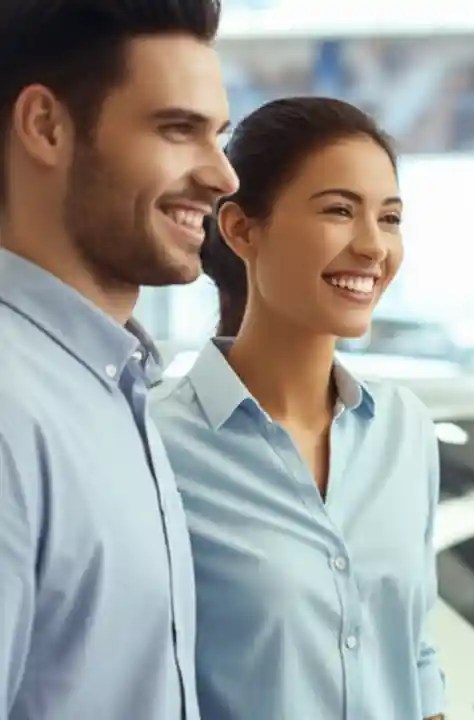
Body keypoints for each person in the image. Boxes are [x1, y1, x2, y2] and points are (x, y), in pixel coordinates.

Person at [150, 96, 445, 720]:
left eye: (389, 219)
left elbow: (415, 654)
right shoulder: (155, 444)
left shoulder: (405, 429)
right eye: (339, 210)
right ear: (239, 229)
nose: (373, 247)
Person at [0, 1, 236, 718]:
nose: (223, 175)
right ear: (46, 126)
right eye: (177, 130)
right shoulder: (11, 406)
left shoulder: (113, 387)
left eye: (218, 136)